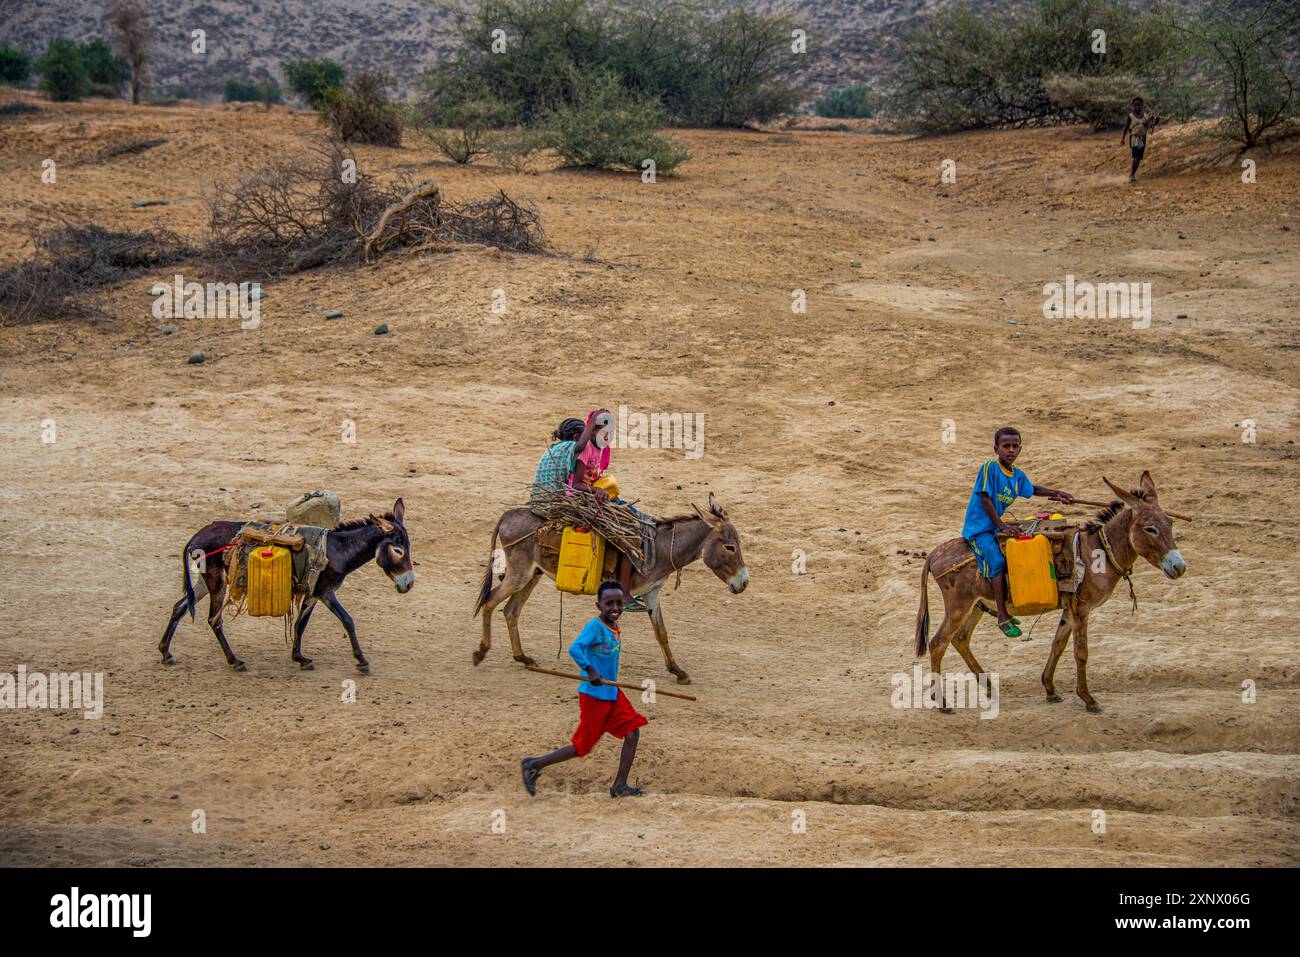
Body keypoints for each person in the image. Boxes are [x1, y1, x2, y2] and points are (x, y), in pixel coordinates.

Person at [521, 581, 647, 798]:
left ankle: (619, 785)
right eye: (609, 603)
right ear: (599, 605)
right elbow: (575, 648)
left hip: (612, 692)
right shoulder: (595, 627)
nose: (615, 608)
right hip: (594, 696)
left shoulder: (615, 628)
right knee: (582, 746)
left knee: (632, 732)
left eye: (619, 603)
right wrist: (590, 671)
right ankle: (533, 764)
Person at [962, 427, 1075, 637]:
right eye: (1006, 446)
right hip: (979, 529)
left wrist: (1058, 493)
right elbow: (985, 499)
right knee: (996, 562)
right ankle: (1002, 615)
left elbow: (1033, 489)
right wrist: (1002, 526)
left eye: (1015, 446)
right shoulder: (990, 468)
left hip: (996, 526)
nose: (1010, 450)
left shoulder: (1017, 475)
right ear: (996, 448)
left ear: (1020, 449)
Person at [530, 409, 645, 608]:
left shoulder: (556, 448)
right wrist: (593, 420)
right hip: (560, 502)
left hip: (541, 500)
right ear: (578, 436)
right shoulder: (574, 447)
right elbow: (575, 484)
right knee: (625, 533)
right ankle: (623, 593)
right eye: (592, 430)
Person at [1121, 97, 1159, 183]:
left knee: (1139, 157)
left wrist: (1156, 121)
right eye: (1136, 105)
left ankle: (1133, 174)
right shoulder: (1130, 116)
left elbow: (1150, 125)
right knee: (1136, 156)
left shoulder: (1145, 116)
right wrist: (1122, 139)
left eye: (1139, 105)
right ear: (1133, 106)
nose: (1137, 106)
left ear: (1142, 106)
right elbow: (1126, 127)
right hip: (1135, 138)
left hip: (1143, 138)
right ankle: (1132, 174)